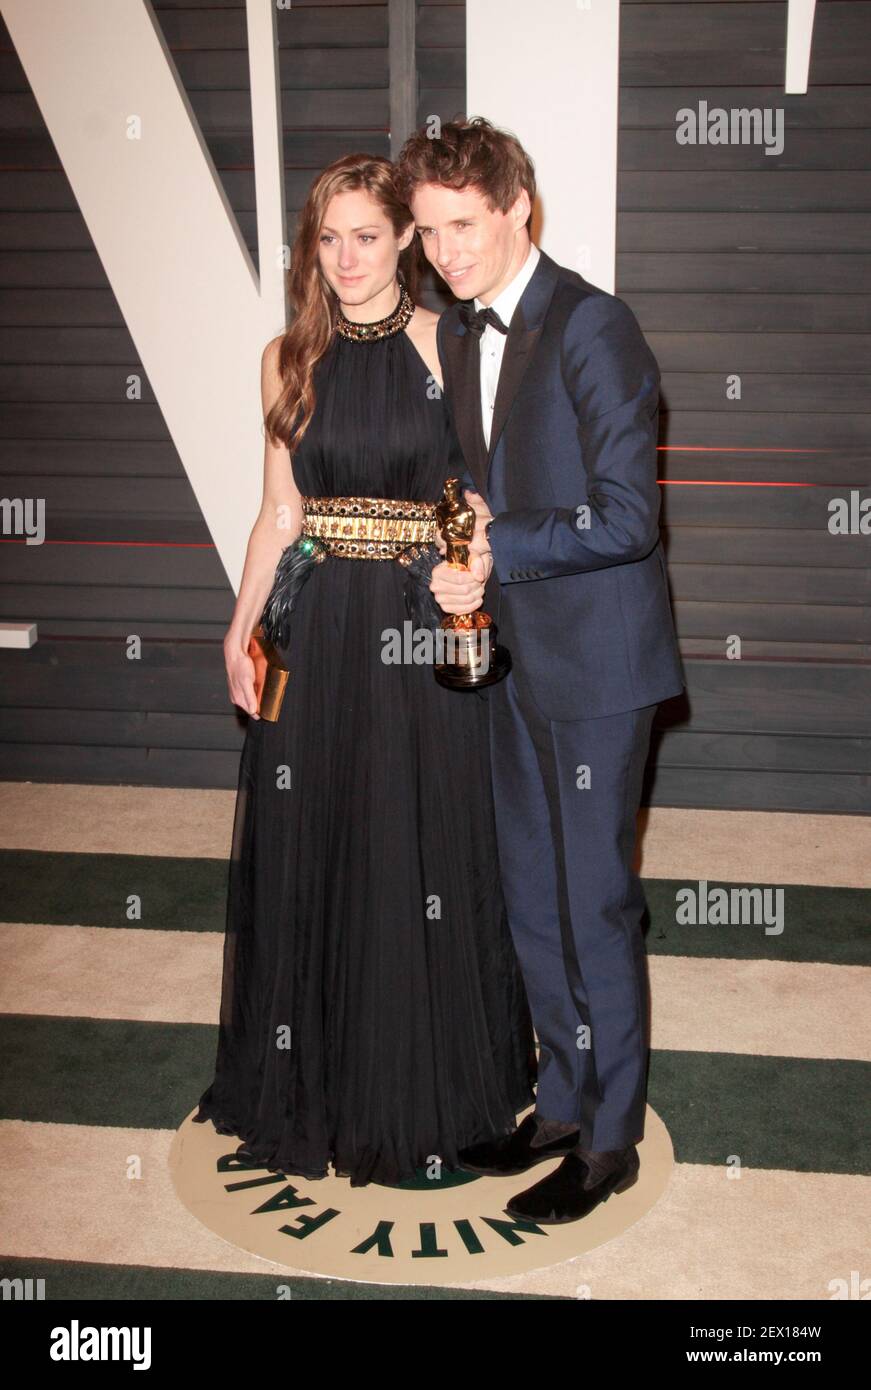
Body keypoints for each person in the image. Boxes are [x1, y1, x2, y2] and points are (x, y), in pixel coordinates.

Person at [193, 154, 537, 1188]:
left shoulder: (452, 343)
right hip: (321, 622)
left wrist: (468, 572)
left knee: (417, 848)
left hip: (416, 621)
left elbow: (481, 498)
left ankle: (424, 1085)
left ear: (407, 243)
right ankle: (315, 1081)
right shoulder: (285, 357)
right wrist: (238, 622)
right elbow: (281, 511)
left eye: (368, 237)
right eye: (327, 239)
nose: (345, 259)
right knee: (317, 842)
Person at [396, 118, 685, 1222]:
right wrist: (465, 560)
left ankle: (609, 1139)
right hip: (515, 660)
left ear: (519, 207)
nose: (446, 252)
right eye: (428, 231)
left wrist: (497, 543)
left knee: (594, 901)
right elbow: (484, 497)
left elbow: (626, 519)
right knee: (532, 892)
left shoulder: (593, 326)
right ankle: (561, 1098)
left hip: (601, 670)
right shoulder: (465, 335)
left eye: (463, 225)